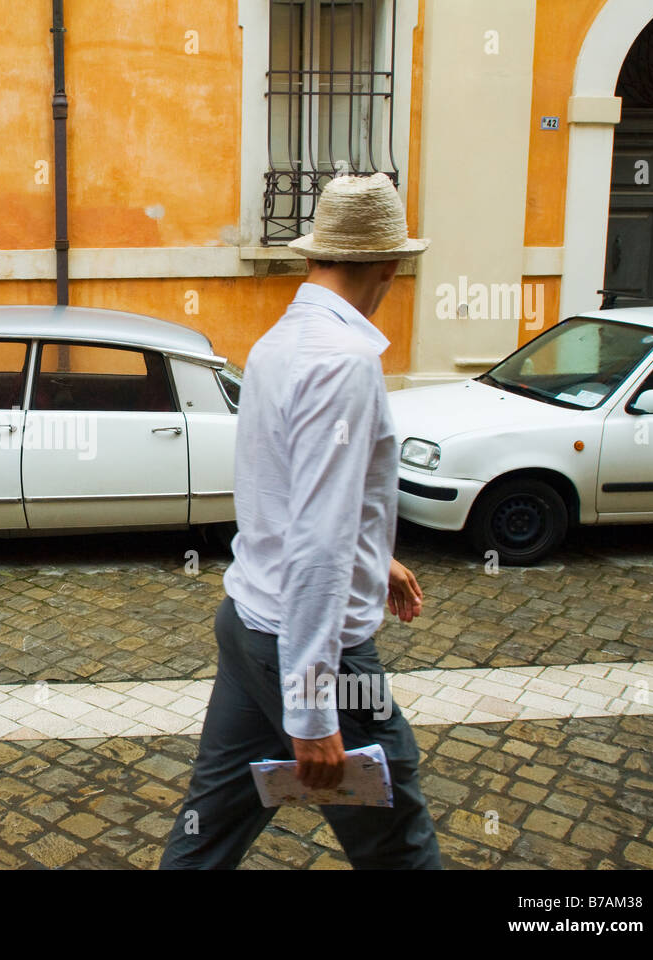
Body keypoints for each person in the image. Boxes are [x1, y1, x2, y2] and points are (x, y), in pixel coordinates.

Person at [160, 173, 442, 870]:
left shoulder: (278, 343)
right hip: (319, 654)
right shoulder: (343, 362)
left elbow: (292, 499)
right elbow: (315, 536)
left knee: (209, 831)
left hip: (249, 623)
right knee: (400, 847)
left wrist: (375, 558)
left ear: (315, 257)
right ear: (391, 264)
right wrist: (314, 711)